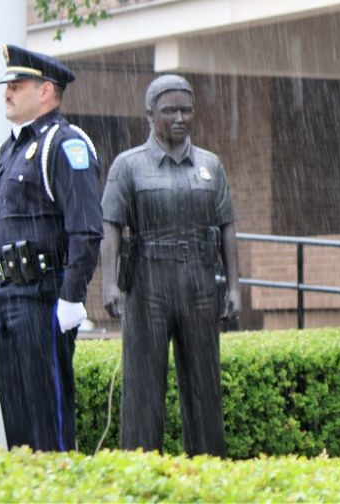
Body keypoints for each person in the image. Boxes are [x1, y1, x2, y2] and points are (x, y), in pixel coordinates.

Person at [101, 74, 239, 456]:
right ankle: (141, 471)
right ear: (150, 114)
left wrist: (235, 287)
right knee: (144, 386)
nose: (180, 117)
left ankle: (209, 467)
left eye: (186, 110)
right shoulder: (128, 166)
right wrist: (109, 284)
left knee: (204, 383)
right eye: (169, 110)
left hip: (198, 281)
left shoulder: (210, 165)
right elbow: (110, 227)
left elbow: (227, 227)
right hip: (148, 282)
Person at [0, 45, 102, 451]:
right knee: (17, 423)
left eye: (17, 85)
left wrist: (71, 297)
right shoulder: (11, 148)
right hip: (8, 293)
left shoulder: (65, 144)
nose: (7, 93)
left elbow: (86, 229)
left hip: (43, 294)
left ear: (46, 91)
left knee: (46, 419)